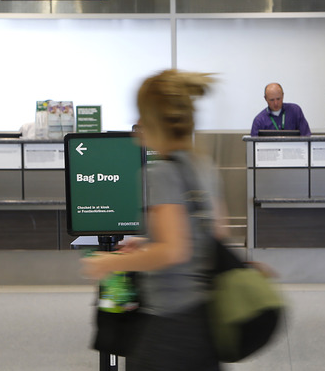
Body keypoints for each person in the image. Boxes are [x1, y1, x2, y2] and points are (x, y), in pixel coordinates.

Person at [81, 70, 225, 371]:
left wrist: (110, 263)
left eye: (141, 117)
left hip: (167, 324)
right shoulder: (202, 166)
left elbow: (174, 251)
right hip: (205, 320)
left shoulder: (159, 173)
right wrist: (149, 242)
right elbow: (211, 235)